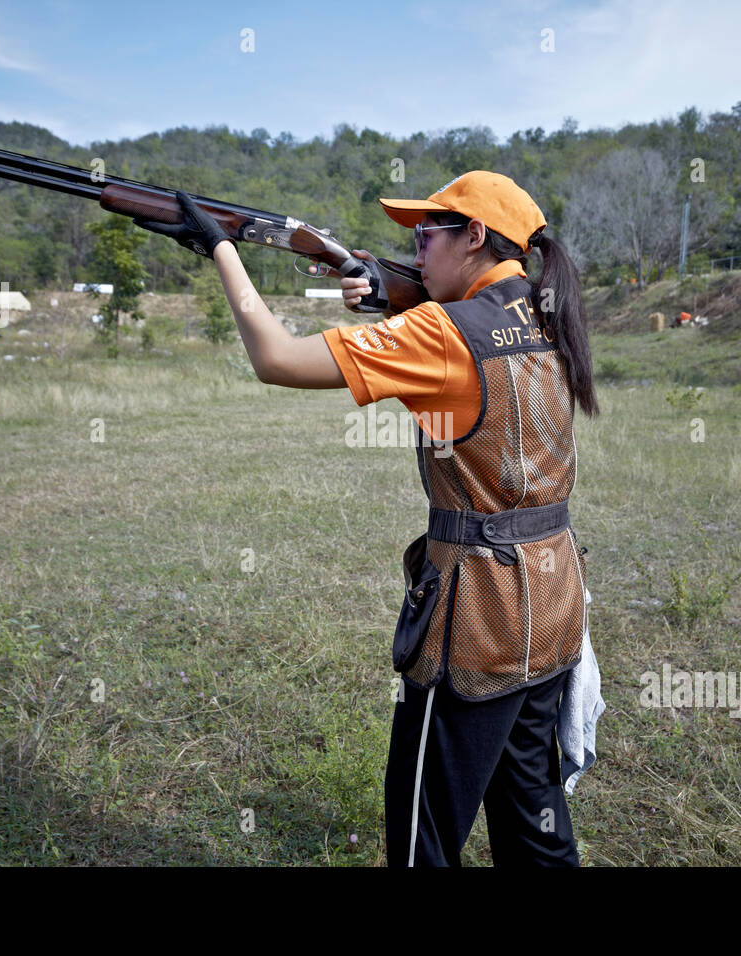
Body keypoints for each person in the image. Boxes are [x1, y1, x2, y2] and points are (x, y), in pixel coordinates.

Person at [134, 170, 600, 867]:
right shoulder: (545, 311)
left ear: (473, 236)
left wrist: (222, 250)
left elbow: (275, 358)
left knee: (423, 839)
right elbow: (474, 357)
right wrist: (390, 297)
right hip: (553, 601)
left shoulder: (441, 332)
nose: (417, 250)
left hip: (476, 623)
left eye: (426, 235)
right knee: (533, 820)